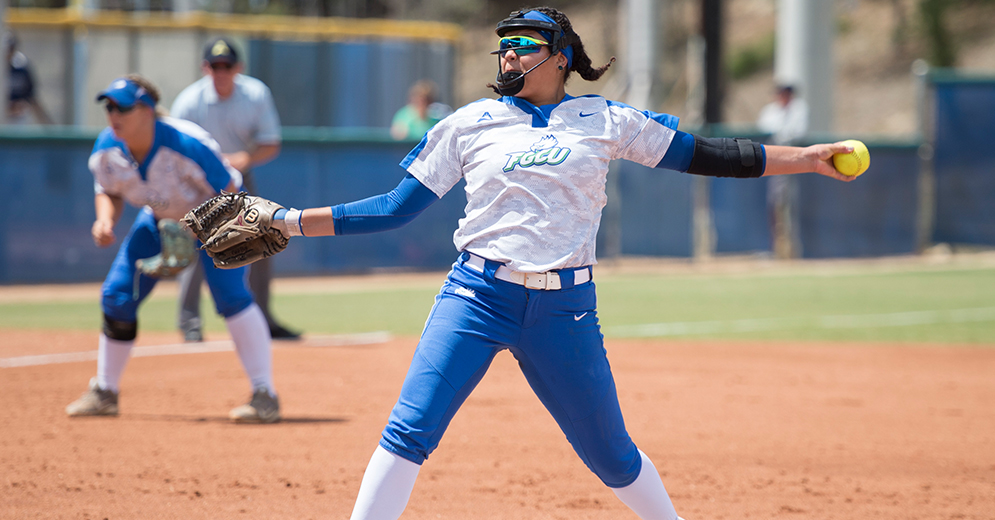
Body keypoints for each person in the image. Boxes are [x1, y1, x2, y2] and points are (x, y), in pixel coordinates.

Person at [236, 7, 855, 518]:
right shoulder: (469, 124)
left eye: (523, 46)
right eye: (503, 47)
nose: (508, 56)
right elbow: (394, 208)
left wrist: (805, 159)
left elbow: (706, 154)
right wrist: (288, 220)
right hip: (476, 297)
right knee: (409, 431)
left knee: (612, 456)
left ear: (560, 57)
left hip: (565, 310)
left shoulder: (604, 119)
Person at [65, 75, 281, 424]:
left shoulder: (185, 144)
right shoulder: (108, 148)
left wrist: (200, 231)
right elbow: (109, 190)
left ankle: (265, 395)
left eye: (122, 107)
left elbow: (230, 190)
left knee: (231, 296)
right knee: (117, 295)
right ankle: (105, 391)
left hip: (218, 219)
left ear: (147, 110)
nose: (113, 115)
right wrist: (104, 220)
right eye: (109, 107)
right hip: (160, 219)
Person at [170, 37, 300, 341]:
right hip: (196, 183)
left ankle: (263, 319)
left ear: (238, 68)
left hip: (239, 179)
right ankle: (189, 323)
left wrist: (245, 158)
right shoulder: (189, 102)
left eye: (226, 66)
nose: (221, 72)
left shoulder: (254, 94)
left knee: (265, 234)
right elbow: (172, 151)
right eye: (215, 66)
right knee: (196, 242)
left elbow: (271, 143)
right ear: (205, 68)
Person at [756, 84, 810, 258]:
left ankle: (794, 248)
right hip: (771, 161)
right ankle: (775, 247)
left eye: (785, 93)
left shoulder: (799, 108)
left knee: (793, 204)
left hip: (796, 161)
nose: (782, 97)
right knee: (773, 204)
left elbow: (797, 133)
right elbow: (764, 131)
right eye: (780, 93)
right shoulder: (769, 111)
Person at [6, 33, 52, 125]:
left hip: (16, 117)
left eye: (11, 48)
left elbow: (31, 96)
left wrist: (46, 122)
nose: (8, 52)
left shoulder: (21, 66)